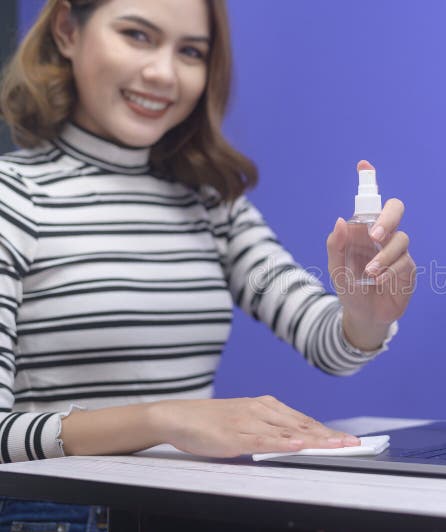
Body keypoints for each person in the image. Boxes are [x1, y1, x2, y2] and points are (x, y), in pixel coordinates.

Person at [0, 0, 415, 527]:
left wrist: (365, 314)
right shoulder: (13, 198)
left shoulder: (209, 204)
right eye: (137, 35)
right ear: (66, 30)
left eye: (191, 51)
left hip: (184, 509)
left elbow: (328, 340)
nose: (163, 74)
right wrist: (162, 419)